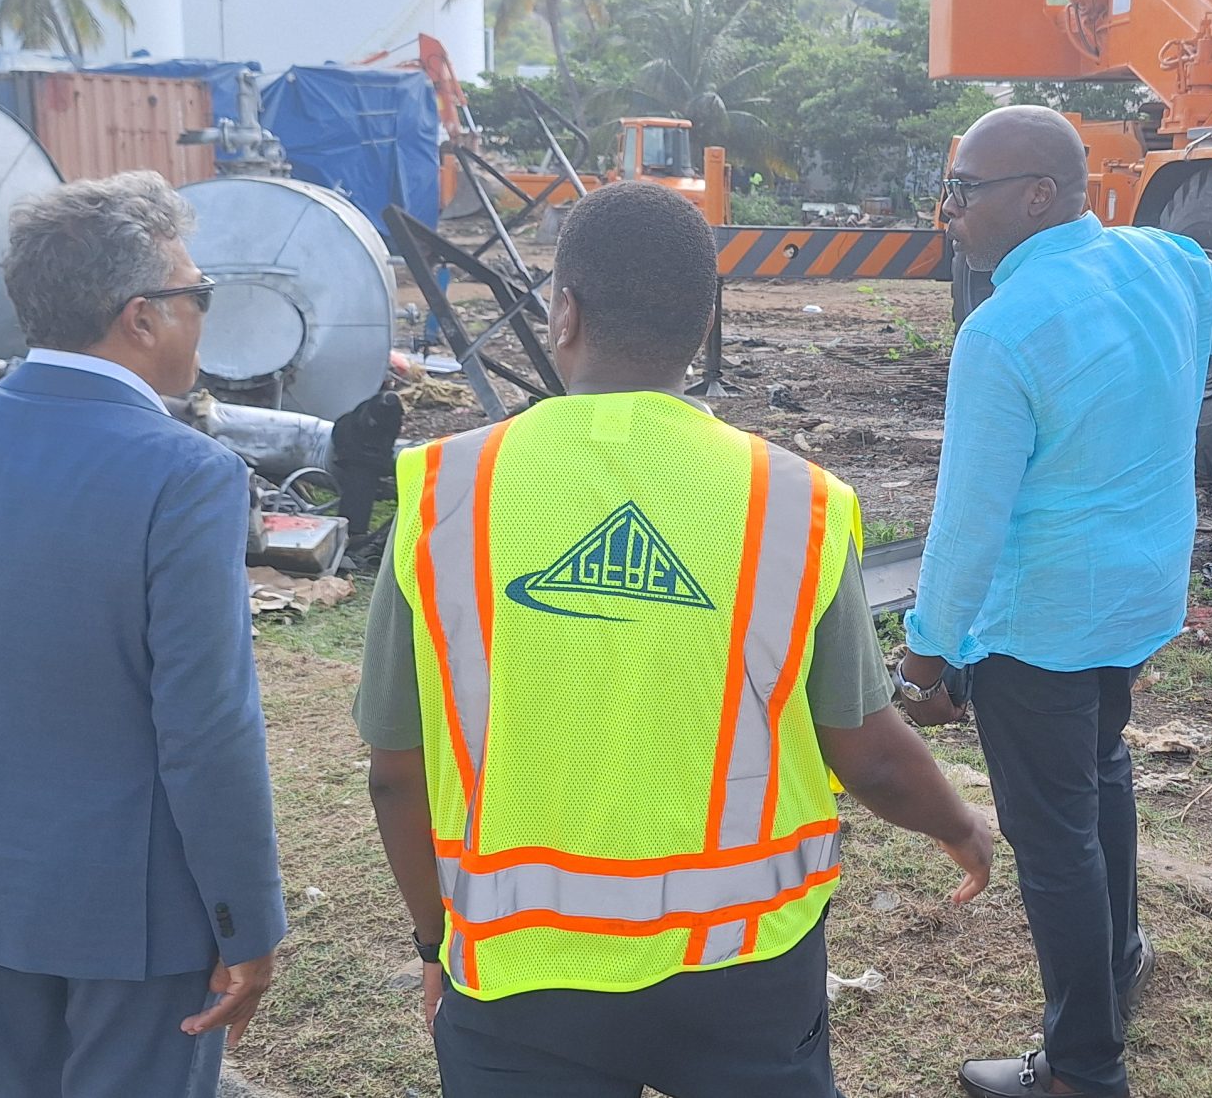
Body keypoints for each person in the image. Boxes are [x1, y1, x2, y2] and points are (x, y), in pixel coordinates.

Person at [356, 181, 995, 1097]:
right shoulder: (797, 505)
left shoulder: (447, 495)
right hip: (745, 965)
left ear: (563, 310)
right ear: (703, 329)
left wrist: (435, 941)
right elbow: (870, 752)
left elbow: (396, 772)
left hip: (521, 972)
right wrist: (961, 825)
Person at [896, 107, 1212, 1098]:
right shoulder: (1160, 262)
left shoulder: (1003, 330)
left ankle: (1081, 1070)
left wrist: (924, 660)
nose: (947, 207)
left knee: (1054, 843)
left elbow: (969, 523)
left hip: (1039, 625)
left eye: (965, 189)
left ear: (1038, 195)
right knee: (1099, 773)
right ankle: (1122, 956)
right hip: (1136, 603)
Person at [0, 171, 287, 1097]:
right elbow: (204, 723)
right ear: (142, 317)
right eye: (196, 294)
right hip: (138, 906)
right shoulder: (188, 473)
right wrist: (247, 920)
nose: (202, 312)